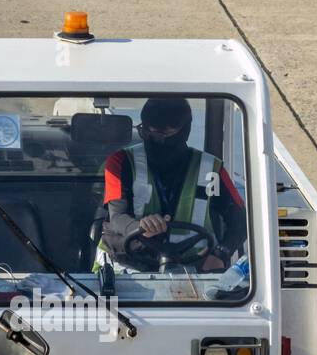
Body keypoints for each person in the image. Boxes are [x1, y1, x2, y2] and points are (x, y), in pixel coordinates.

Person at [97, 97, 246, 272]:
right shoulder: (121, 162)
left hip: (192, 271)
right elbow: (116, 218)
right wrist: (139, 227)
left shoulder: (210, 169)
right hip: (126, 266)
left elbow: (240, 221)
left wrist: (221, 254)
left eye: (163, 134)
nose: (154, 140)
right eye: (147, 131)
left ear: (183, 132)